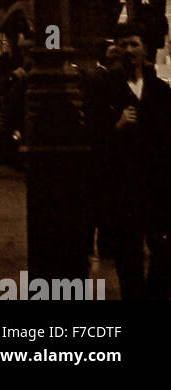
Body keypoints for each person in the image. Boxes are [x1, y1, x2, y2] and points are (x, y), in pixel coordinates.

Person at [88, 18, 171, 299]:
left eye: (134, 44)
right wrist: (117, 125)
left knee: (163, 249)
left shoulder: (161, 92)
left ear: (145, 50)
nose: (128, 50)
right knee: (129, 255)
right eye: (123, 44)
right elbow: (92, 138)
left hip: (157, 188)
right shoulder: (104, 89)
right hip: (122, 190)